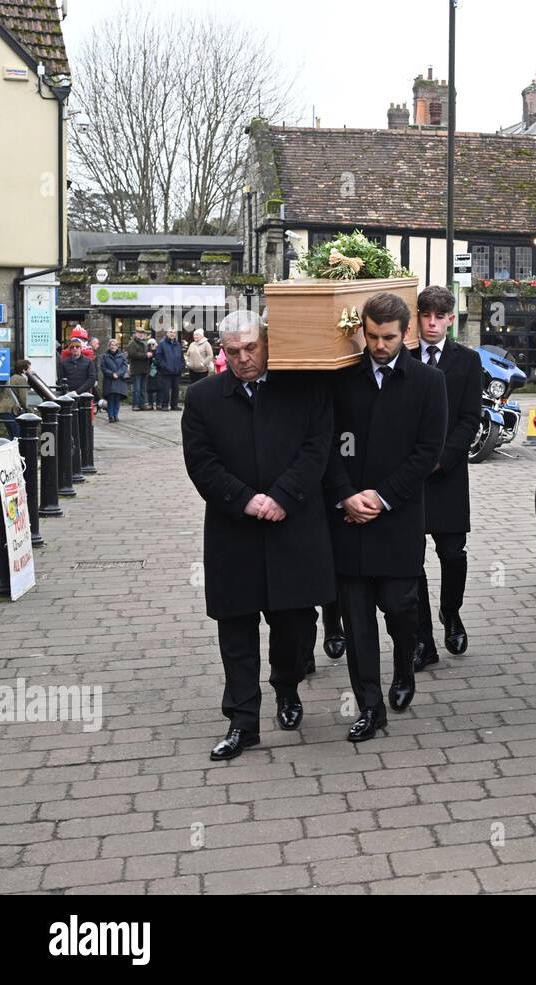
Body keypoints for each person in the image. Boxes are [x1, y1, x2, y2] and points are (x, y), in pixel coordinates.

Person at [181, 310, 335, 762]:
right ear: (221, 352)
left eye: (251, 348)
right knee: (236, 632)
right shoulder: (204, 398)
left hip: (294, 527)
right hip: (235, 533)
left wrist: (284, 495)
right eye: (233, 352)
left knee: (296, 625)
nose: (244, 358)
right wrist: (245, 499)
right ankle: (242, 721)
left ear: (268, 342)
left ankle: (287, 687)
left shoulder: (303, 388)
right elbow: (201, 461)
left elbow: (317, 447)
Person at [325, 292, 446, 741]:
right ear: (363, 331)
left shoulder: (429, 383)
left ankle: (404, 667)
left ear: (406, 333)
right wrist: (346, 496)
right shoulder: (340, 380)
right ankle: (370, 708)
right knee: (357, 623)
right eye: (372, 336)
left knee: (399, 607)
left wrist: (381, 496)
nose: (379, 346)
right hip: (348, 520)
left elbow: (426, 452)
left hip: (397, 520)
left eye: (388, 338)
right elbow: (325, 444)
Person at [412, 286, 479, 670]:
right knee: (411, 561)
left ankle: (450, 613)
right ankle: (422, 638)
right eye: (426, 315)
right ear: (417, 316)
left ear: (451, 319)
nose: (432, 322)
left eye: (440, 316)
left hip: (448, 474)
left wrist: (441, 459)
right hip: (410, 478)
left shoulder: (467, 361)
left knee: (452, 555)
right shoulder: (402, 357)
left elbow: (471, 418)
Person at [0, 359, 31, 439]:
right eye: (29, 368)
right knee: (17, 436)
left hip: (4, 409)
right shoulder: (21, 379)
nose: (31, 370)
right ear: (24, 370)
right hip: (10, 410)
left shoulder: (12, 378)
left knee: (12, 435)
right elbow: (23, 398)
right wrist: (29, 410)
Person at [99, 339, 129, 423]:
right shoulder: (105, 356)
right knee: (111, 398)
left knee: (117, 398)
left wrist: (118, 374)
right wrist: (112, 374)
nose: (113, 346)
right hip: (109, 380)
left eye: (115, 345)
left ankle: (116, 415)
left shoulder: (122, 355)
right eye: (111, 345)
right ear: (109, 346)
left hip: (119, 380)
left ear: (117, 346)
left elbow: (124, 366)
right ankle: (110, 416)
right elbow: (103, 368)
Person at [154, 327, 184, 410]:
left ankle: (174, 405)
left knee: (176, 389)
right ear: (167, 333)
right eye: (171, 332)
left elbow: (181, 357)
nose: (172, 334)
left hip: (176, 371)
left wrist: (181, 366)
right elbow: (158, 357)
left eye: (174, 332)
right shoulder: (162, 344)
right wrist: (165, 367)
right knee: (166, 389)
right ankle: (165, 405)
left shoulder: (177, 344)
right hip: (166, 371)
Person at [126, 328, 151, 410]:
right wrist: (146, 355)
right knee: (136, 388)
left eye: (142, 333)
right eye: (139, 333)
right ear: (135, 333)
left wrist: (151, 353)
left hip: (144, 369)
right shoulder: (132, 344)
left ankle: (143, 404)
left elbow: (148, 354)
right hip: (136, 369)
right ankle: (135, 405)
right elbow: (133, 354)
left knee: (143, 388)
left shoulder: (145, 343)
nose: (141, 334)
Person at [145, 339, 163, 410]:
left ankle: (159, 404)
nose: (152, 346)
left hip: (158, 371)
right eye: (150, 344)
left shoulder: (159, 352)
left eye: (153, 344)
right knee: (149, 389)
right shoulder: (147, 352)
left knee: (159, 388)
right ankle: (150, 404)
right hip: (149, 372)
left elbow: (161, 360)